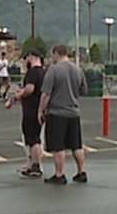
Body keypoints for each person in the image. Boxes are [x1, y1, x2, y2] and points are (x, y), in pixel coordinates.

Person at [39, 44, 88, 185]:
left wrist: (41, 110)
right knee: (76, 145)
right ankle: (81, 171)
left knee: (58, 146)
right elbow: (83, 90)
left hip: (57, 112)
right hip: (74, 112)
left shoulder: (53, 70)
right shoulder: (77, 70)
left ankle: (59, 174)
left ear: (56, 53)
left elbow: (46, 94)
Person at [7, 50, 46, 178]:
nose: (26, 61)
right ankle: (33, 163)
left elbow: (30, 89)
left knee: (32, 138)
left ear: (32, 57)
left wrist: (20, 94)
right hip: (39, 108)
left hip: (30, 110)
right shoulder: (44, 73)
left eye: (27, 58)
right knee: (37, 137)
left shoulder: (32, 73)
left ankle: (35, 166)